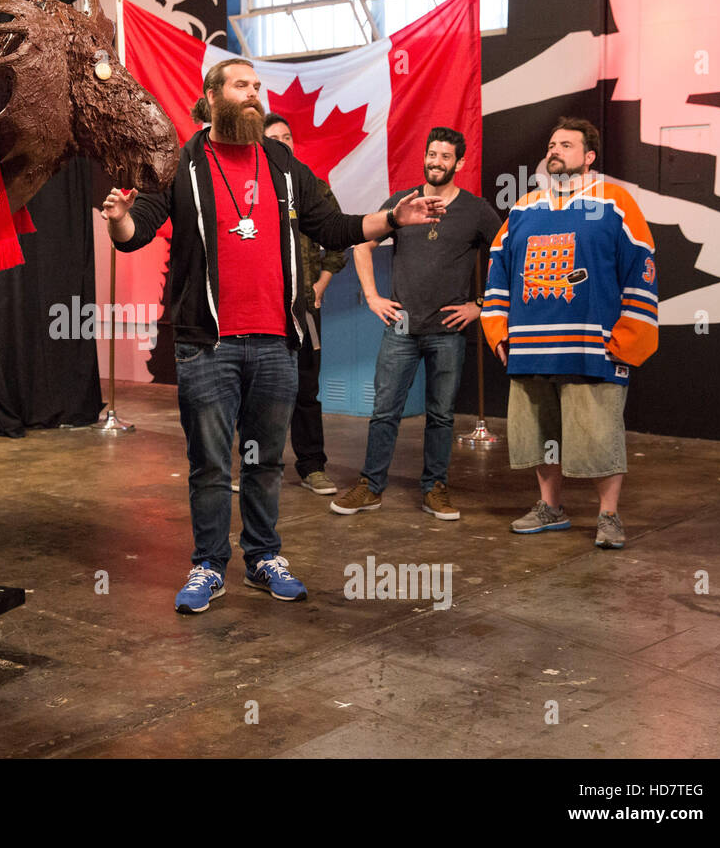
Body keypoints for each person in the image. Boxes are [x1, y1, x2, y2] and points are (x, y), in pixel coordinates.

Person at [98, 58, 445, 613]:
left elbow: (330, 227)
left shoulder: (282, 164)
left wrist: (392, 221)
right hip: (206, 345)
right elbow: (135, 232)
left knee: (262, 462)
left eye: (259, 86)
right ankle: (208, 566)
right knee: (211, 464)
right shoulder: (181, 163)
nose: (256, 94)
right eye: (243, 86)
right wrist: (118, 217)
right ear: (212, 96)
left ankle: (263, 557)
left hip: (275, 342)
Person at [481, 117, 657, 549]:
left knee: (600, 436)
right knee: (541, 436)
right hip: (531, 348)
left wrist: (630, 334)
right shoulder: (522, 209)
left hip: (591, 346)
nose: (555, 150)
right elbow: (498, 271)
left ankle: (609, 515)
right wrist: (499, 331)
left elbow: (643, 266)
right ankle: (550, 507)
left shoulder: (615, 202)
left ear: (589, 156)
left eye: (566, 144)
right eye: (552, 143)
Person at [331, 127, 500, 521]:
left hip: (448, 332)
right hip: (401, 330)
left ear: (459, 163)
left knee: (441, 415)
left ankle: (435, 488)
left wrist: (481, 305)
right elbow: (362, 244)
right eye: (431, 154)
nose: (435, 162)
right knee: (384, 410)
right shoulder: (403, 202)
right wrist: (373, 297)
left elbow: (508, 254)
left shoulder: (475, 210)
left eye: (444, 156)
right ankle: (371, 487)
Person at [263, 113, 346, 495]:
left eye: (287, 135)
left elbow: (338, 237)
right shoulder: (253, 188)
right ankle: (257, 469)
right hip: (261, 308)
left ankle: (312, 467)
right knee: (258, 392)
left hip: (305, 310)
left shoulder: (312, 185)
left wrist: (322, 283)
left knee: (305, 389)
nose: (282, 142)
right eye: (273, 137)